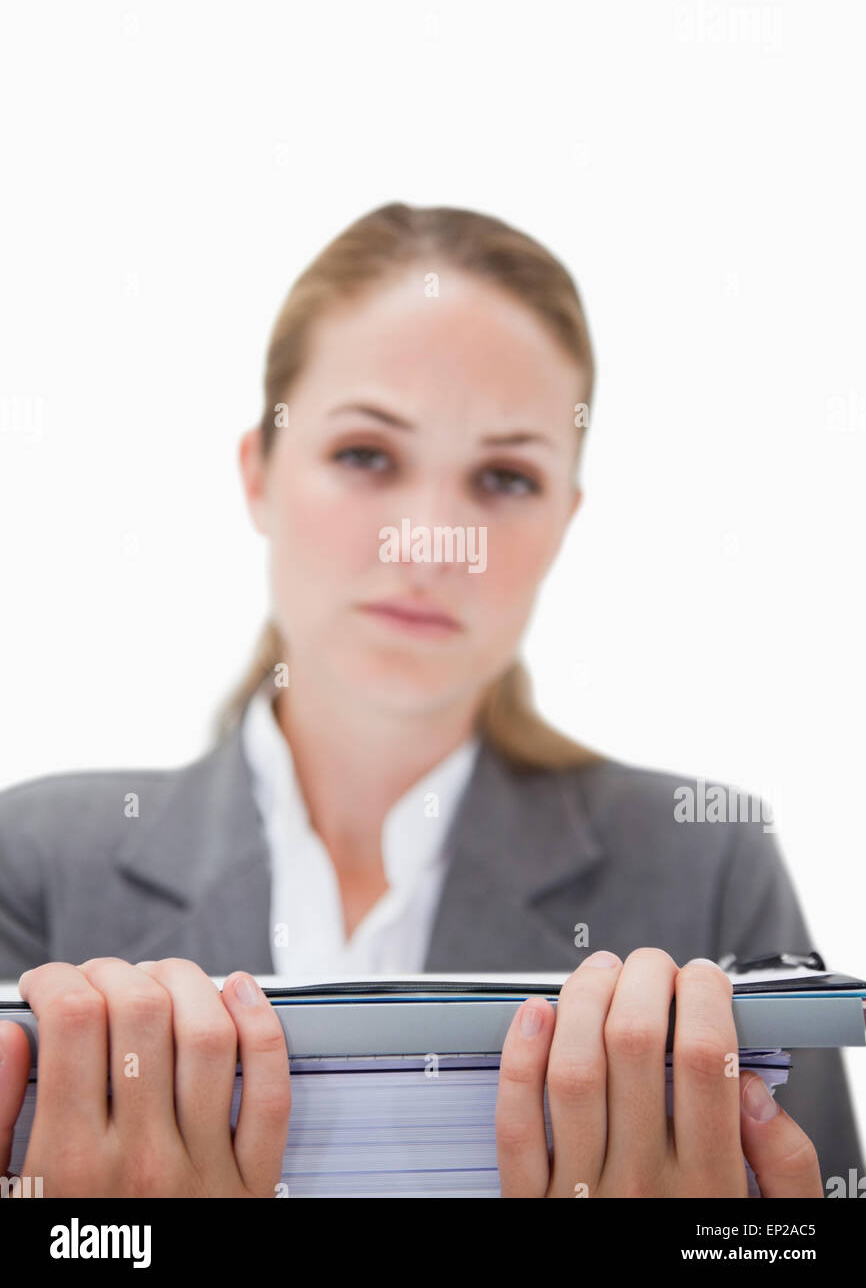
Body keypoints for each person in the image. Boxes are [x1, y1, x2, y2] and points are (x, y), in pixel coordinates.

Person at [0, 202, 860, 1196]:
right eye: (366, 455)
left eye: (503, 476)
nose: (429, 540)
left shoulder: (705, 866)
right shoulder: (35, 867)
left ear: (562, 522)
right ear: (258, 475)